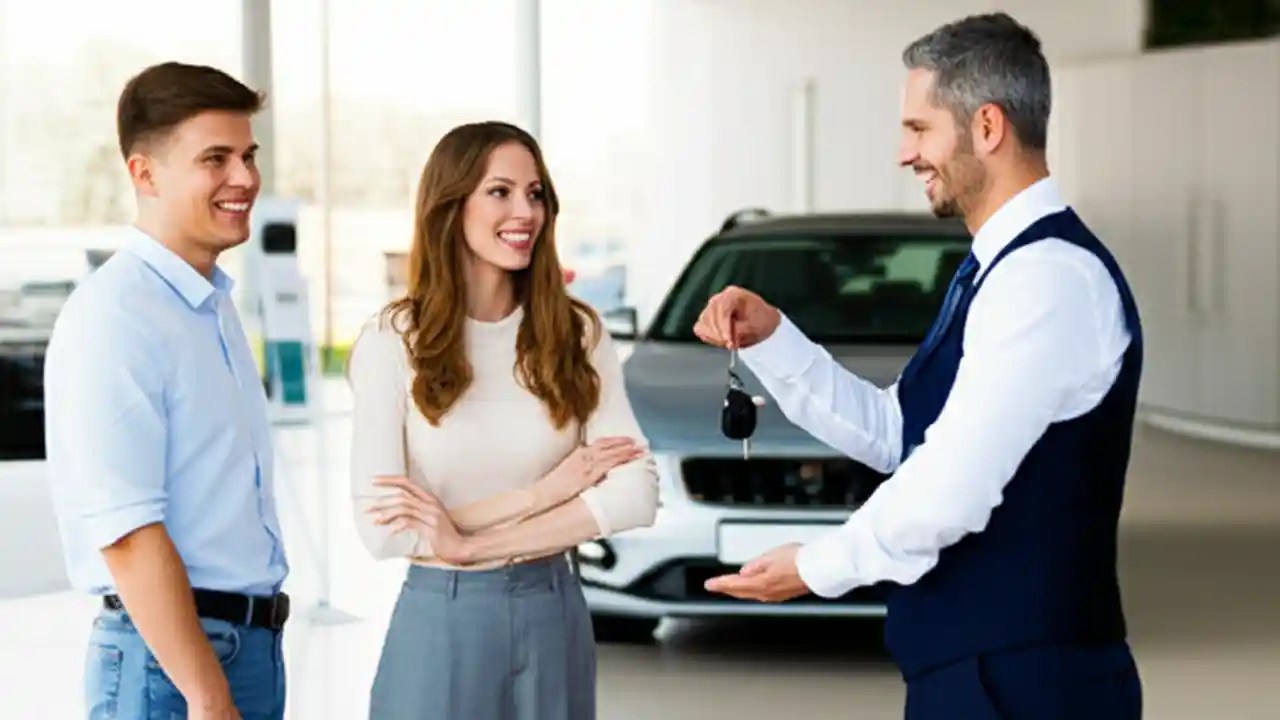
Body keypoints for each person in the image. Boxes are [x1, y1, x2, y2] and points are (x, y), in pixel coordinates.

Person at [693, 13, 1143, 720]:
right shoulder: (996, 270)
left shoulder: (1048, 279)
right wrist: (773, 340)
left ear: (987, 127)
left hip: (1024, 682)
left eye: (919, 128)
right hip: (976, 671)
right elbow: (899, 430)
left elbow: (950, 488)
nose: (906, 154)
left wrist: (815, 567)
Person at [347, 120, 658, 719]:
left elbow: (635, 494)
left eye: (535, 193)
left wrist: (465, 543)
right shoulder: (392, 342)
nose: (525, 211)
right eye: (500, 191)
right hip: (442, 617)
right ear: (450, 205)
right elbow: (384, 531)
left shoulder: (577, 333)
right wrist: (545, 494)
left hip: (554, 606)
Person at [44, 62, 289, 720]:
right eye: (216, 158)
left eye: (248, 155)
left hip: (241, 648)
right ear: (144, 174)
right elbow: (126, 530)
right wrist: (207, 695)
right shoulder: (117, 315)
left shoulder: (210, 305)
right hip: (174, 667)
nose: (245, 178)